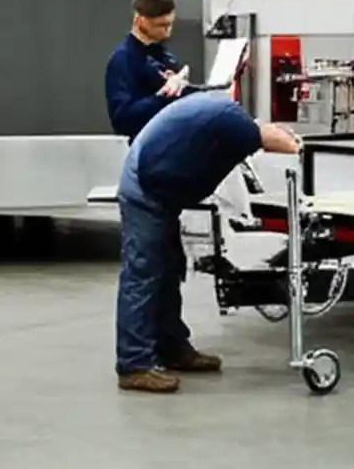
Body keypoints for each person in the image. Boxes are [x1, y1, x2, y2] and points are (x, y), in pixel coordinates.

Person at [115, 91, 301, 394]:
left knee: (168, 269)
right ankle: (134, 364)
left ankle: (172, 348)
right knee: (144, 273)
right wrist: (299, 149)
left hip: (156, 183)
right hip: (145, 189)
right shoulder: (236, 127)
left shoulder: (225, 119)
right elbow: (272, 140)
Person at [105, 0, 192, 140]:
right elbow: (122, 119)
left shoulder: (166, 57)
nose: (168, 31)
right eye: (161, 25)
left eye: (171, 24)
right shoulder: (122, 60)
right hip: (143, 147)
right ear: (140, 20)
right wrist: (163, 96)